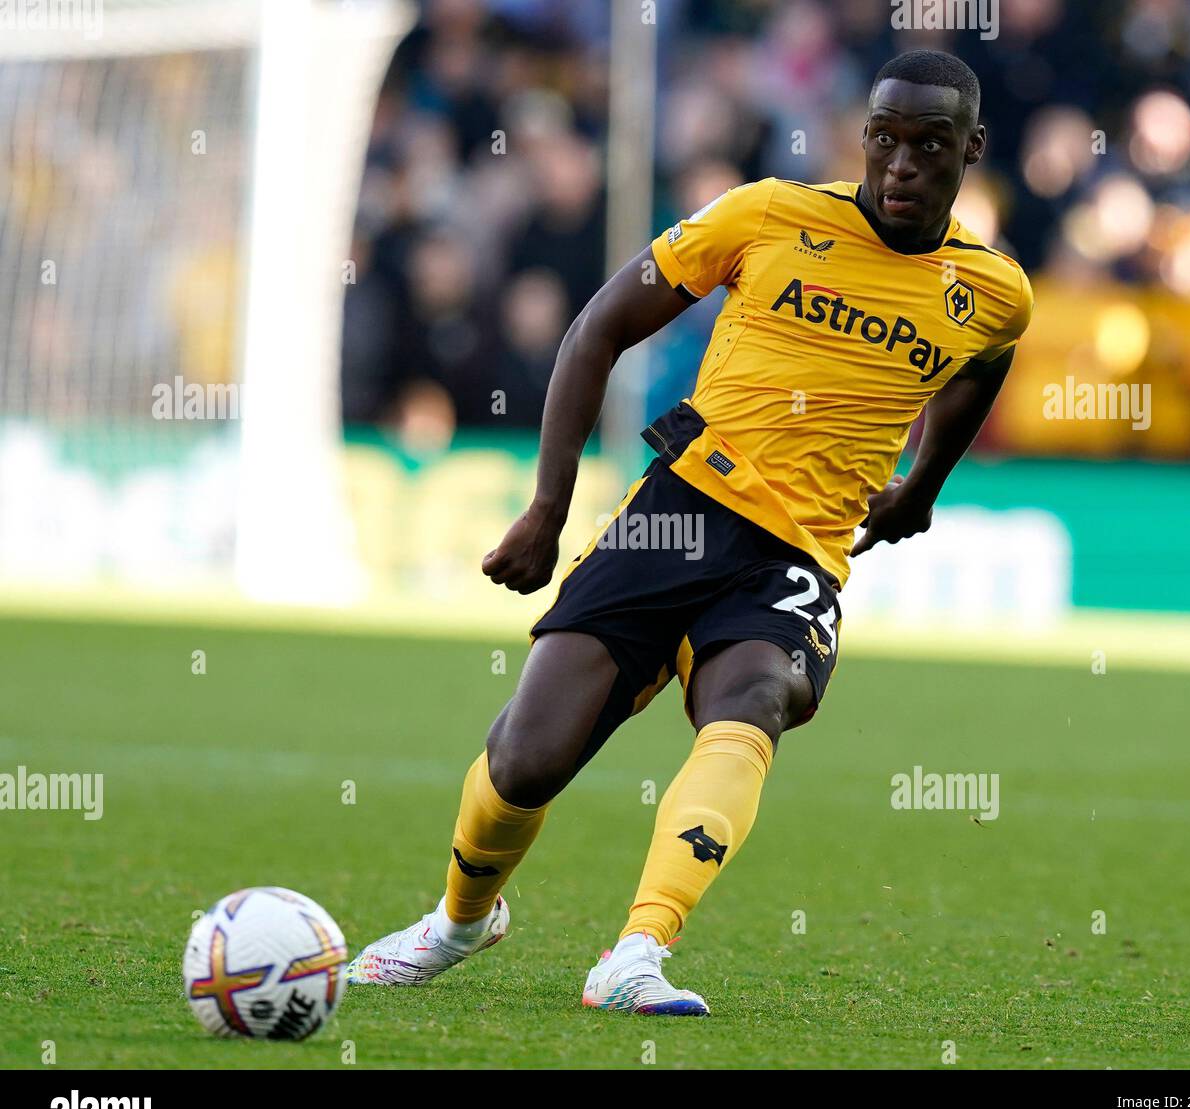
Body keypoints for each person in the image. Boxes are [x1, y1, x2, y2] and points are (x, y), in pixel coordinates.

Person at [346, 49, 1034, 1015]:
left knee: (756, 700)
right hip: (678, 514)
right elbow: (597, 329)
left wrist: (920, 487)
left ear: (973, 150)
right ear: (863, 140)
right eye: (885, 140)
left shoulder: (993, 289)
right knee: (526, 758)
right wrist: (548, 507)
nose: (903, 165)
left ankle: (638, 949)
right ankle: (460, 921)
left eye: (930, 145)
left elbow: (983, 368)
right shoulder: (769, 216)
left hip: (797, 556)